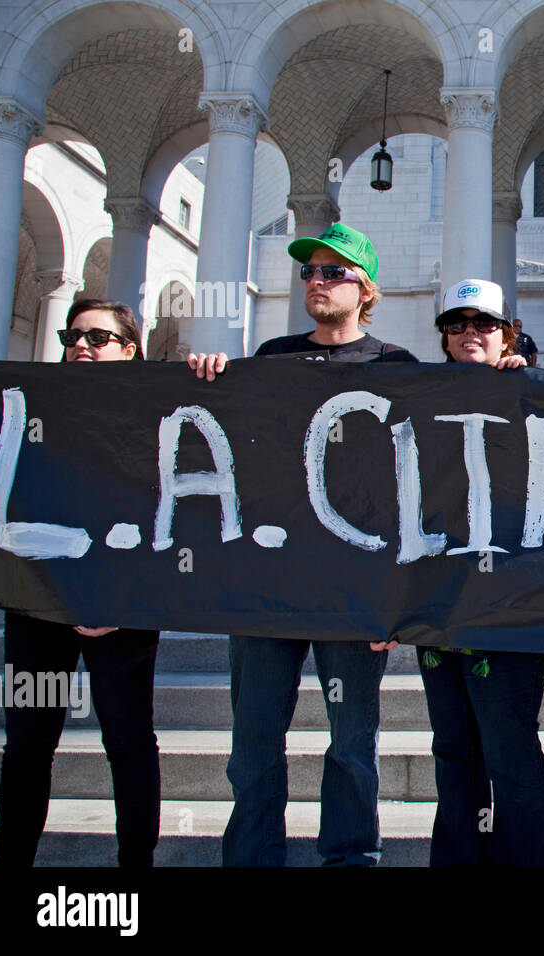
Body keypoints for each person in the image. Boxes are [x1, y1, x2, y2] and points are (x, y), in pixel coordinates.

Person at [187, 222, 419, 866]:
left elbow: (416, 482)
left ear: (365, 289)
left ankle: (350, 857)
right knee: (254, 738)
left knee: (352, 739)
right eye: (309, 272)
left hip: (352, 583)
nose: (315, 282)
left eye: (332, 273)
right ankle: (254, 858)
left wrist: (396, 597)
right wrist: (210, 376)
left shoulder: (396, 367)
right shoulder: (271, 356)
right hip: (268, 580)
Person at [0, 299, 161, 867]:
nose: (82, 344)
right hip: (39, 604)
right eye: (73, 335)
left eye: (98, 336)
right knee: (28, 746)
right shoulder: (29, 404)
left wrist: (121, 595)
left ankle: (135, 870)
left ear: (130, 349)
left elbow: (165, 513)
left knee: (129, 743)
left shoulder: (155, 414)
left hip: (122, 608)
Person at [414, 277, 544, 866]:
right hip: (436, 605)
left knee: (510, 752)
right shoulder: (414, 397)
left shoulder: (534, 393)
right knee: (453, 750)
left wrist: (528, 386)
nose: (471, 333)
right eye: (458, 323)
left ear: (507, 335)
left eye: (485, 324)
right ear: (444, 337)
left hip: (512, 607)